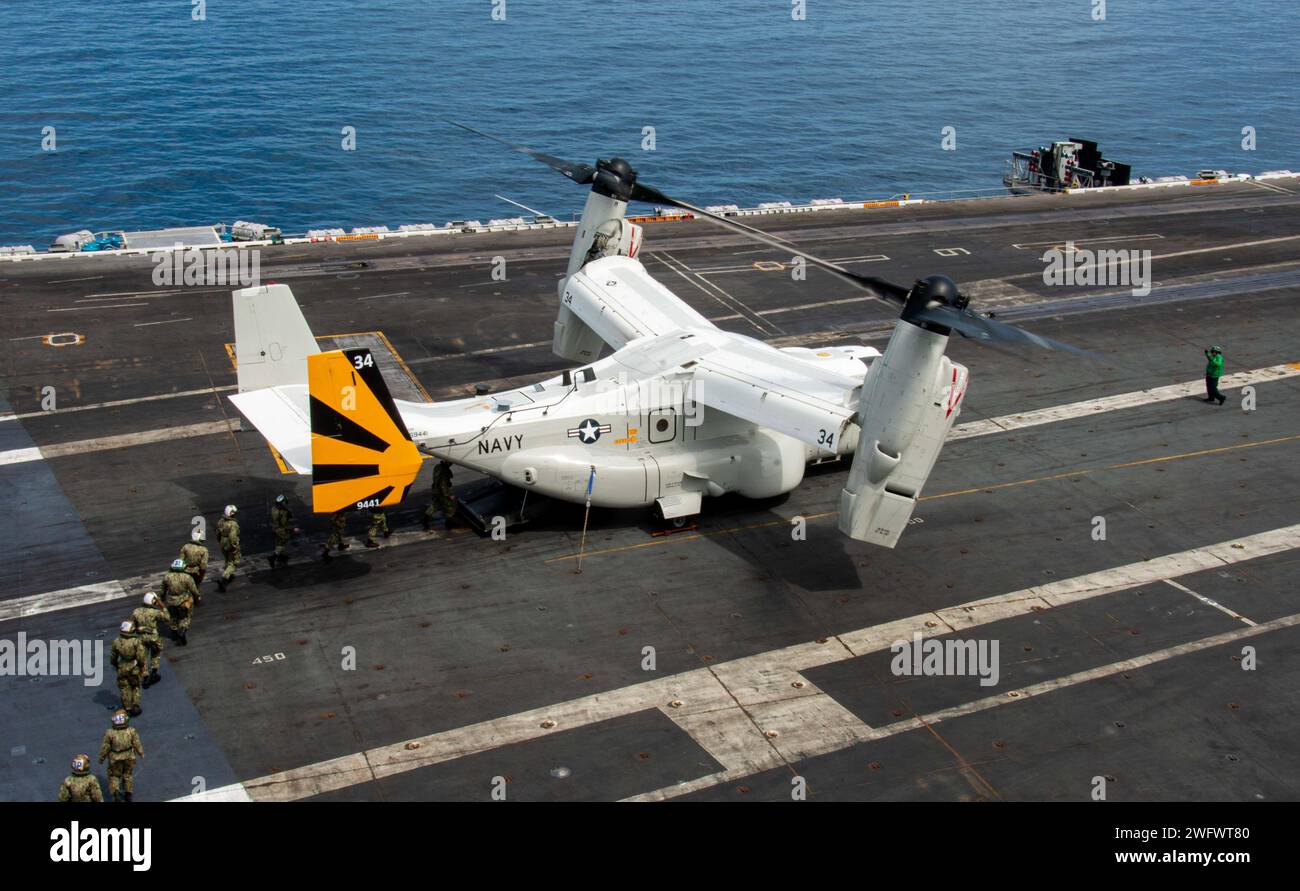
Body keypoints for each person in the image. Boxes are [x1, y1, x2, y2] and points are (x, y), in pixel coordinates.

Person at [98, 710, 143, 802]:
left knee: (114, 776)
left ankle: (116, 794)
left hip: (115, 757)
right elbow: (136, 743)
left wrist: (101, 758)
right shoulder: (131, 731)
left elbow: (105, 747)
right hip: (129, 756)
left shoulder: (110, 733)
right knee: (128, 775)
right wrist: (140, 752)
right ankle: (128, 794)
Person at [109, 620, 148, 716]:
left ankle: (127, 708)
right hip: (133, 667)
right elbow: (141, 657)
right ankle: (135, 705)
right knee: (135, 686)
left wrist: (116, 665)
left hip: (122, 667)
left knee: (124, 688)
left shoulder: (116, 641)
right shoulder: (136, 641)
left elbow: (113, 657)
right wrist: (141, 667)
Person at [131, 592, 169, 688]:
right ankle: (154, 673)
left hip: (141, 638)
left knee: (143, 657)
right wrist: (162, 605)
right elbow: (167, 617)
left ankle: (145, 677)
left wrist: (140, 629)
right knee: (155, 653)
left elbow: (131, 625)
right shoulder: (155, 612)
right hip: (153, 637)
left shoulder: (136, 611)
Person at [162, 558, 198, 645]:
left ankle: (174, 634)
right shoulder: (187, 577)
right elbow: (193, 590)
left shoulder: (167, 576)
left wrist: (162, 598)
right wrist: (197, 597)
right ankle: (182, 631)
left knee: (173, 617)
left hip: (170, 601)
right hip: (183, 601)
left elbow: (163, 590)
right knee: (185, 617)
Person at [426, 460, 458, 531]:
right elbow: (443, 485)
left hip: (435, 490)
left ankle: (425, 520)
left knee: (435, 505)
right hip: (441, 492)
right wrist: (448, 495)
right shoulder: (444, 471)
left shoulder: (437, 467)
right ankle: (450, 524)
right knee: (450, 507)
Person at [216, 505, 241, 592]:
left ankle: (228, 573)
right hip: (229, 544)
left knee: (227, 559)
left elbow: (218, 533)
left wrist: (220, 541)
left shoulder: (221, 521)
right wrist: (234, 547)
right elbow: (233, 537)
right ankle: (225, 578)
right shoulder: (233, 524)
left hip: (223, 542)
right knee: (233, 562)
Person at [180, 531, 209, 604]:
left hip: (185, 570)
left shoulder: (185, 547)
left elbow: (181, 560)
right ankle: (196, 599)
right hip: (196, 572)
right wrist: (202, 575)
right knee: (195, 586)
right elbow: (203, 565)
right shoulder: (203, 550)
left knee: (186, 587)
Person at [270, 495, 294, 568]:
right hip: (281, 529)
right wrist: (291, 528)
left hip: (274, 528)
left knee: (278, 543)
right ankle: (272, 558)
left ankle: (281, 558)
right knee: (281, 545)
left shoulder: (273, 509)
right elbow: (284, 523)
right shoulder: (284, 512)